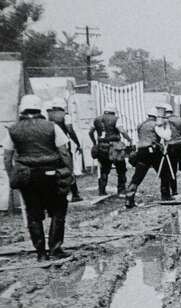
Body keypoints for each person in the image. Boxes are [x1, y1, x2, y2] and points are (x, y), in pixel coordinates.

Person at [2, 95, 74, 260]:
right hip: (51, 175)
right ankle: (55, 249)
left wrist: (13, 174)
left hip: (27, 176)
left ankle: (41, 253)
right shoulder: (52, 127)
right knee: (57, 211)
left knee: (33, 214)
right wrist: (69, 172)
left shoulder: (13, 130)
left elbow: (6, 157)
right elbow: (64, 152)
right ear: (40, 109)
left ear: (22, 110)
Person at [125, 108, 168, 208]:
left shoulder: (140, 125)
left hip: (141, 152)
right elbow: (165, 136)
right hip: (153, 152)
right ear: (155, 116)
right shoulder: (156, 125)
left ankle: (129, 200)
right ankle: (165, 195)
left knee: (137, 177)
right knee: (164, 173)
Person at [89, 102, 133, 196]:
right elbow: (121, 130)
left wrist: (94, 142)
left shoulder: (96, 119)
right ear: (114, 111)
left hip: (101, 146)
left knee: (104, 169)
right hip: (115, 147)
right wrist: (129, 139)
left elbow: (90, 132)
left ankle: (102, 190)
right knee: (121, 168)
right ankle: (121, 190)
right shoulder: (116, 119)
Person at [45, 98, 83, 202]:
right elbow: (70, 130)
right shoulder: (65, 116)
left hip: (49, 146)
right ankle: (75, 194)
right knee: (68, 168)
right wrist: (78, 143)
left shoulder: (47, 115)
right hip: (63, 144)